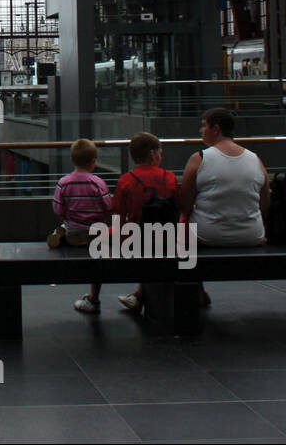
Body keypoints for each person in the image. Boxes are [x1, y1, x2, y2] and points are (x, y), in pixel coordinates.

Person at [179, 108, 270, 306]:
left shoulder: (200, 158)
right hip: (251, 235)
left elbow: (184, 205)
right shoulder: (256, 159)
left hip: (207, 235)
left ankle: (195, 289)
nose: (201, 131)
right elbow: (264, 203)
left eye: (204, 126)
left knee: (176, 231)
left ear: (216, 129)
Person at [110, 131, 178, 312]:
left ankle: (95, 298)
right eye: (160, 152)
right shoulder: (169, 177)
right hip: (167, 240)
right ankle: (140, 294)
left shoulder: (125, 180)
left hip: (135, 242)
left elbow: (119, 216)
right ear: (153, 154)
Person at [46, 138, 111, 314]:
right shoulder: (98, 182)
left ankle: (62, 236)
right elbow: (108, 206)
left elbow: (58, 208)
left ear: (72, 160)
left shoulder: (64, 182)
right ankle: (94, 297)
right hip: (97, 232)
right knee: (97, 261)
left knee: (64, 227)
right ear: (93, 162)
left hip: (74, 227)